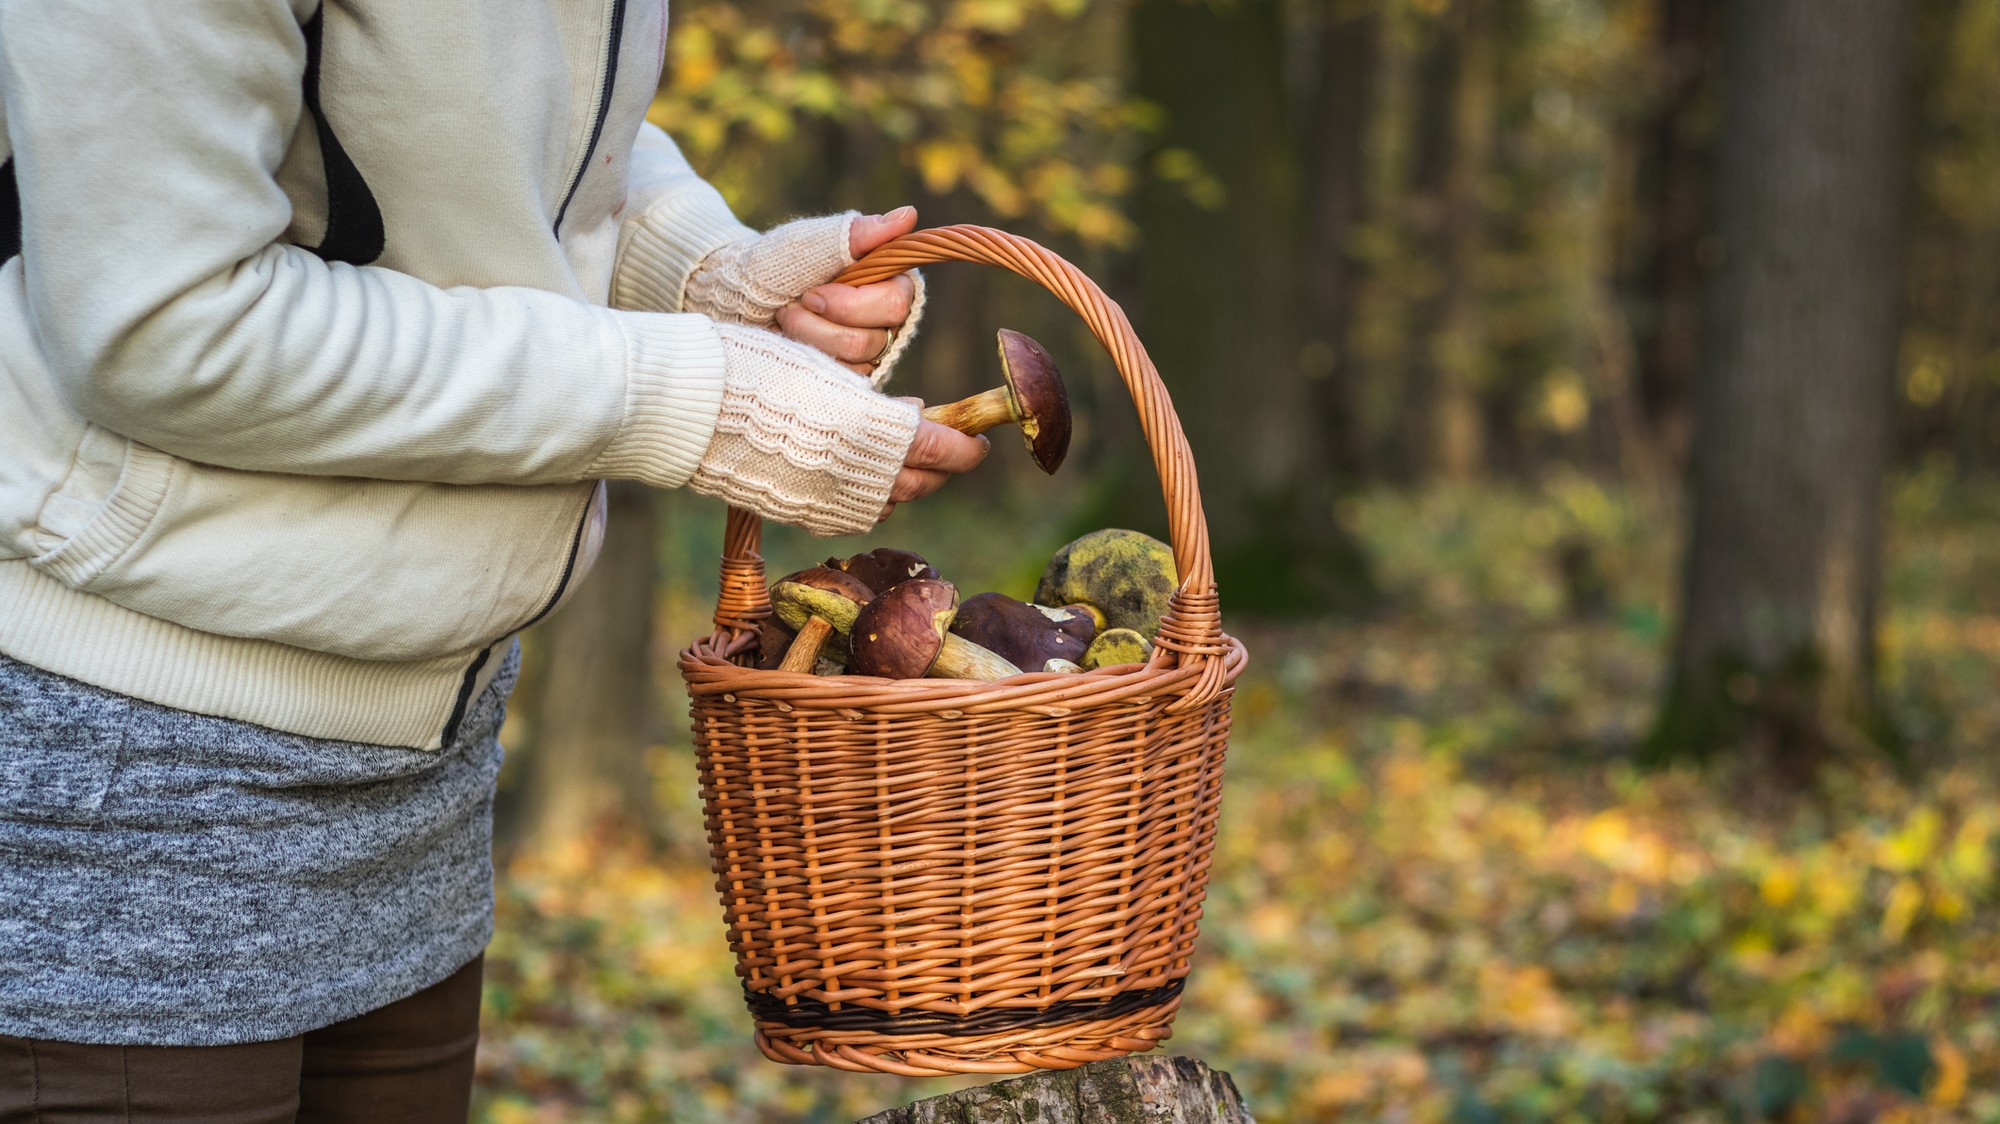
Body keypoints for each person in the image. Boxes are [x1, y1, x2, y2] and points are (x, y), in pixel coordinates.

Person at [0, 1, 988, 1119]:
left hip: (429, 775)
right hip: (130, 789)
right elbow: (165, 320)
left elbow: (498, 120)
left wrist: (690, 263)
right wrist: (683, 395)